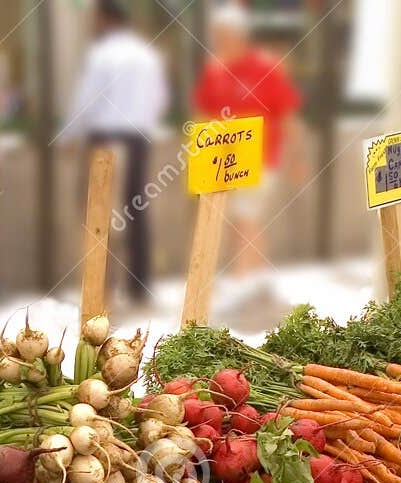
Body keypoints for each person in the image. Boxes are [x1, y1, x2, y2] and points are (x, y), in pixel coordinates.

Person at [59, 0, 169, 304]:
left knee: (98, 209)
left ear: (105, 19)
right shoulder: (147, 54)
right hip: (138, 138)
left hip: (105, 138)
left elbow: (86, 98)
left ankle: (101, 285)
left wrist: (69, 134)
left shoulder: (102, 54)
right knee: (135, 209)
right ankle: (139, 284)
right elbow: (160, 97)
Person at [192, 3, 306, 280]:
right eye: (217, 36)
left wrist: (297, 157)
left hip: (261, 157)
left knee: (245, 218)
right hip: (224, 157)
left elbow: (289, 115)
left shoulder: (265, 67)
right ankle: (252, 276)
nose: (220, 42)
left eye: (225, 35)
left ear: (240, 36)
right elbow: (203, 113)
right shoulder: (214, 70)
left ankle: (246, 279)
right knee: (238, 221)